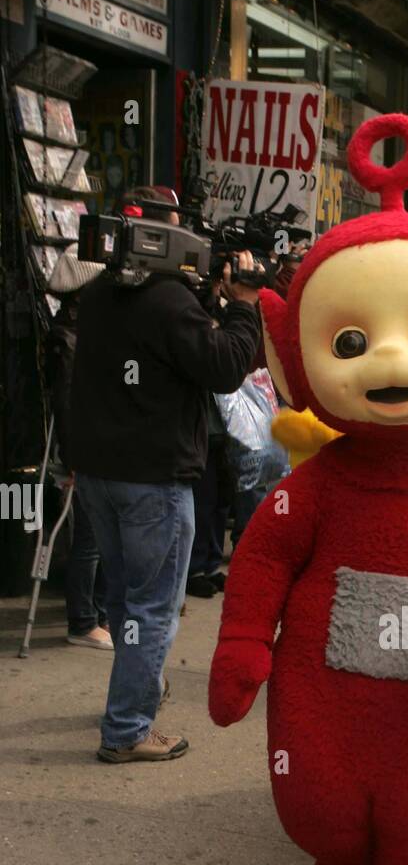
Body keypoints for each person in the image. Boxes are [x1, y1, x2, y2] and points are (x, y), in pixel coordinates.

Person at [67, 185, 262, 762]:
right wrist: (246, 306)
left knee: (128, 600)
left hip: (102, 475)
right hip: (152, 479)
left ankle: (138, 690)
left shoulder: (101, 291)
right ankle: (127, 729)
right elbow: (226, 367)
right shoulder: (169, 300)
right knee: (152, 607)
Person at [45, 247, 113, 651]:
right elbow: (66, 404)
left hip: (96, 446)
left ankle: (96, 614)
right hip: (84, 451)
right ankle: (83, 620)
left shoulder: (85, 329)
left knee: (99, 538)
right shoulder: (68, 338)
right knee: (89, 539)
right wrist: (73, 461)